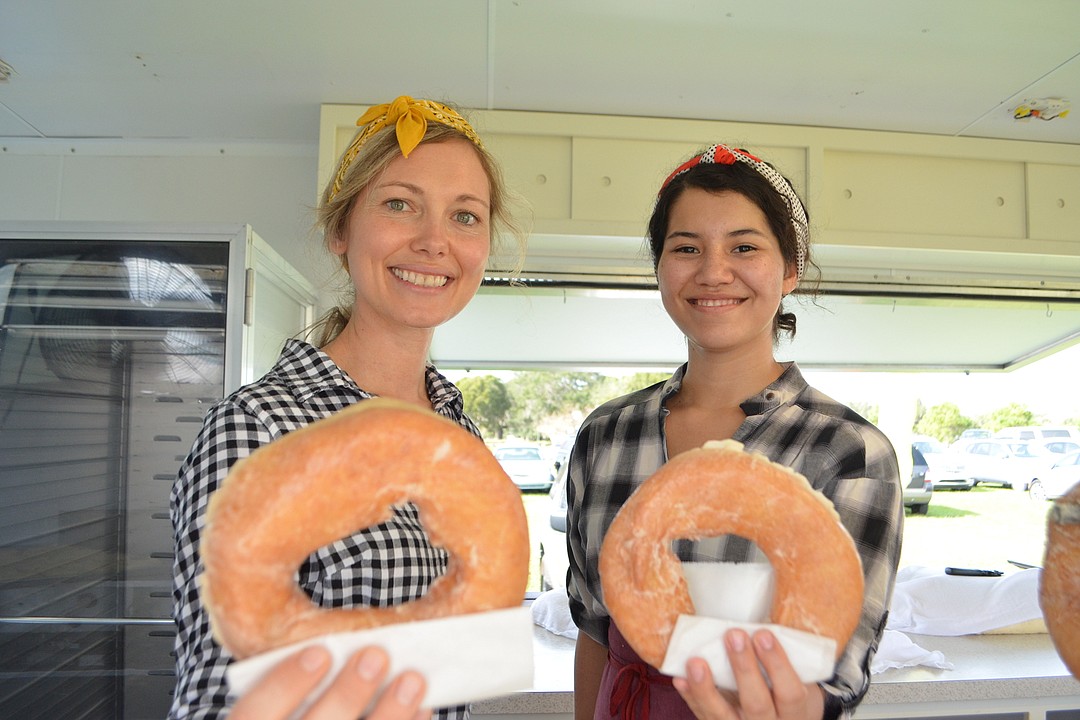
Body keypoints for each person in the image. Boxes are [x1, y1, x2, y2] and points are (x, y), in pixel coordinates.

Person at [169, 95, 525, 720]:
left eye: (465, 216)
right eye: (398, 204)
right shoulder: (257, 428)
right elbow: (211, 693)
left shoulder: (458, 435)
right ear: (341, 231)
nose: (434, 240)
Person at [565, 144, 903, 720]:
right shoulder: (606, 435)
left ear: (789, 270)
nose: (713, 271)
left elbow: (835, 671)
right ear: (660, 269)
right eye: (686, 248)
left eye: (744, 247)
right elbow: (597, 631)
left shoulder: (847, 450)